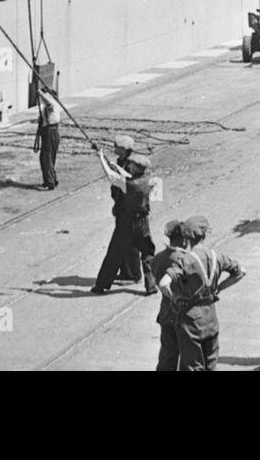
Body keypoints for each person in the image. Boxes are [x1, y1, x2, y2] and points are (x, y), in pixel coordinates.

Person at [159, 215, 245, 371]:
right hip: (210, 316)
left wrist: (175, 298)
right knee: (210, 363)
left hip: (190, 318)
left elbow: (164, 283)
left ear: (186, 238)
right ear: (204, 235)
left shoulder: (185, 260)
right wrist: (220, 287)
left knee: (192, 365)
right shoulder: (216, 256)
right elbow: (240, 272)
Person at [92, 152, 157, 294]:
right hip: (143, 222)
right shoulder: (150, 180)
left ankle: (101, 285)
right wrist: (115, 166)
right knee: (147, 252)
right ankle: (151, 285)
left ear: (135, 168)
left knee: (114, 253)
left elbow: (110, 175)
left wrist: (101, 157)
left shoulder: (127, 184)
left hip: (127, 222)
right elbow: (126, 174)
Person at [101, 135, 143, 283]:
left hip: (128, 207)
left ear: (124, 150)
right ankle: (127, 271)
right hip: (122, 205)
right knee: (126, 242)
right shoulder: (123, 161)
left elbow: (120, 179)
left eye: (117, 147)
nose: (114, 148)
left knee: (129, 242)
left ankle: (134, 273)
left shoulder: (131, 165)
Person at [151, 220, 189, 371]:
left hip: (166, 312)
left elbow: (155, 276)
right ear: (185, 239)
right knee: (188, 356)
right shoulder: (185, 259)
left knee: (167, 355)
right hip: (184, 314)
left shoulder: (159, 257)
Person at [34, 90, 61, 190]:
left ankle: (50, 183)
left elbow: (49, 104)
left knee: (47, 158)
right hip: (48, 131)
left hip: (51, 132)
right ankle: (51, 179)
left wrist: (40, 94)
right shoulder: (47, 107)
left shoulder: (52, 103)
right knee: (47, 158)